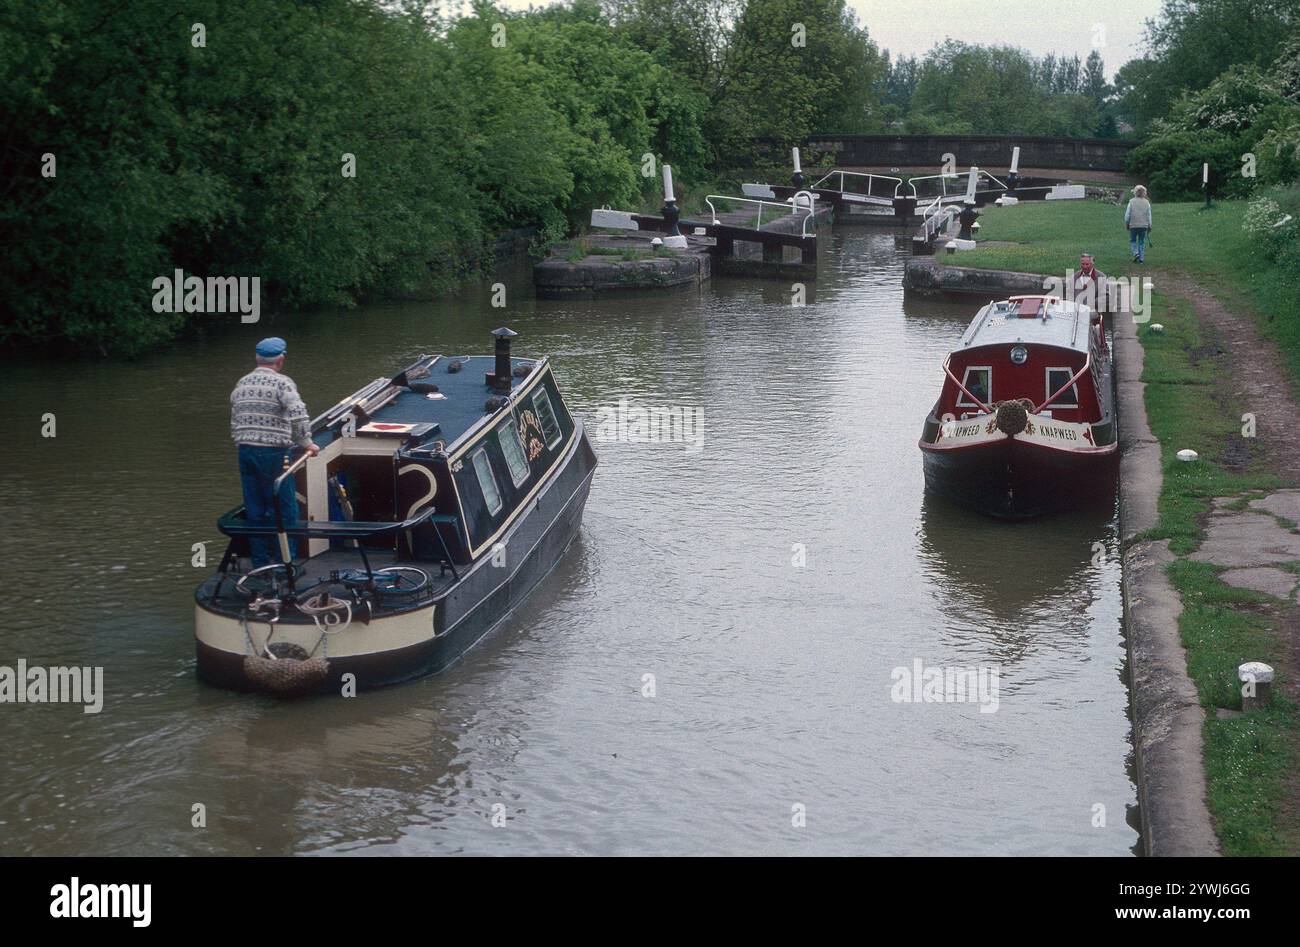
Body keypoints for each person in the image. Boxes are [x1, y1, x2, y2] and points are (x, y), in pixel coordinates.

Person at [230, 337, 319, 568]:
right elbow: (298, 415)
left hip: (245, 451)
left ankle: (259, 564)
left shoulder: (242, 383)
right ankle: (284, 565)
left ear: (257, 359)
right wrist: (307, 443)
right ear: (280, 360)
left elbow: (235, 420)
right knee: (284, 509)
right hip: (274, 454)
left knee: (255, 509)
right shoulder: (282, 383)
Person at [1125, 185, 1152, 263]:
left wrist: (1127, 223)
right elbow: (1149, 215)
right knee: (1141, 241)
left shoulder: (1131, 202)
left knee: (1133, 240)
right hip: (1144, 226)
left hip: (1133, 225)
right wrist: (1150, 225)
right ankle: (1141, 259)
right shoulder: (1147, 203)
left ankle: (1136, 253)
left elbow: (1127, 215)